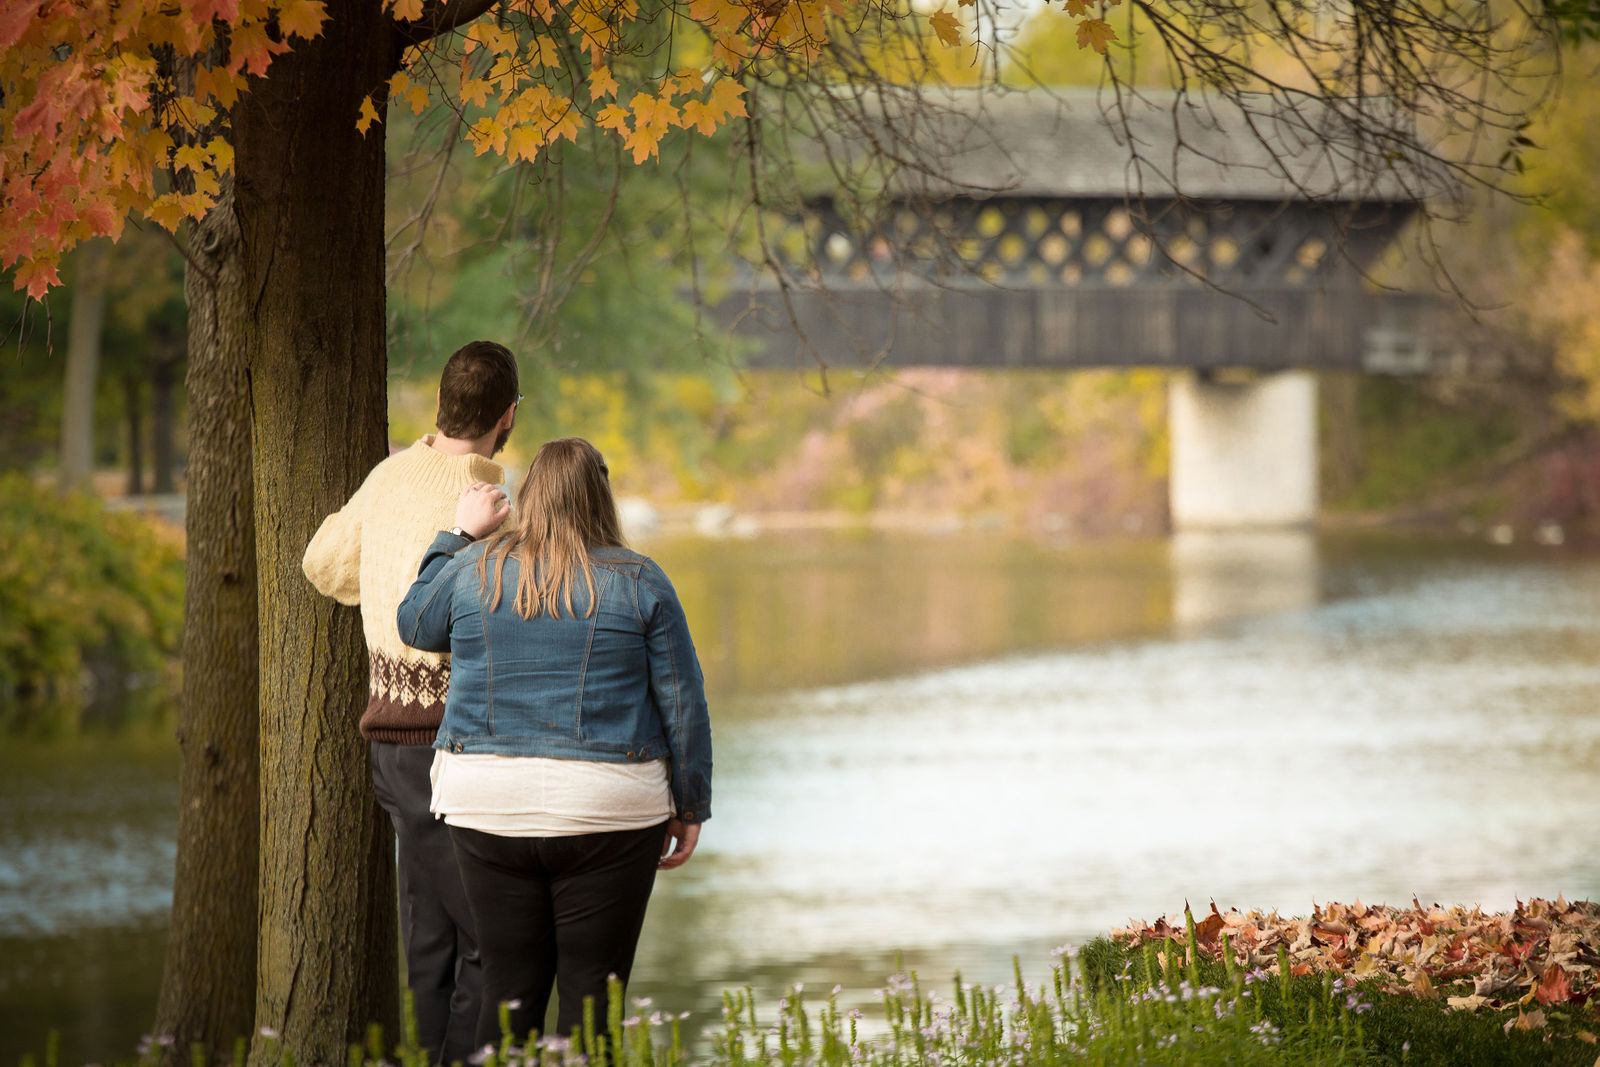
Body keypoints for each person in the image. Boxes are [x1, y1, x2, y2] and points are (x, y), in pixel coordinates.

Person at [395, 437, 712, 1049]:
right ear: (602, 496)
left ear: (528, 494)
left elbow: (416, 623)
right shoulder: (639, 579)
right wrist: (690, 802)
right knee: (593, 999)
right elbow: (681, 699)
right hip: (609, 807)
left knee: (508, 994)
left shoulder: (473, 566)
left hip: (487, 804)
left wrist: (456, 537)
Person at [301, 340, 521, 1066]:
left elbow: (322, 563)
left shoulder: (388, 477)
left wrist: (384, 573)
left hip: (393, 745)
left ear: (442, 403)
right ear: (507, 417)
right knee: (495, 937)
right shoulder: (495, 505)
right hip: (462, 745)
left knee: (431, 938)